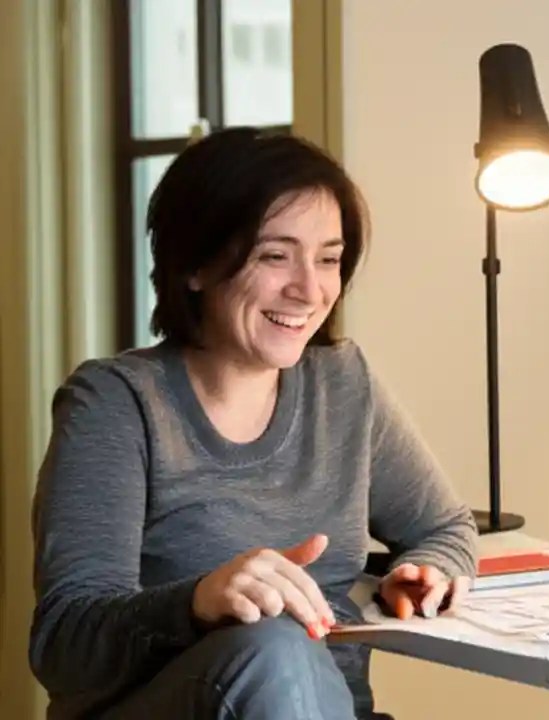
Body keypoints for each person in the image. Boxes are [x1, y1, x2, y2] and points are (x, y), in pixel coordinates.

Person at [27, 127, 479, 719]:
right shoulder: (116, 404)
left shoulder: (342, 383)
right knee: (272, 646)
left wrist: (426, 572)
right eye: (274, 255)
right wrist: (195, 603)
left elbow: (446, 526)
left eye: (329, 259)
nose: (309, 289)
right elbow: (63, 643)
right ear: (194, 265)